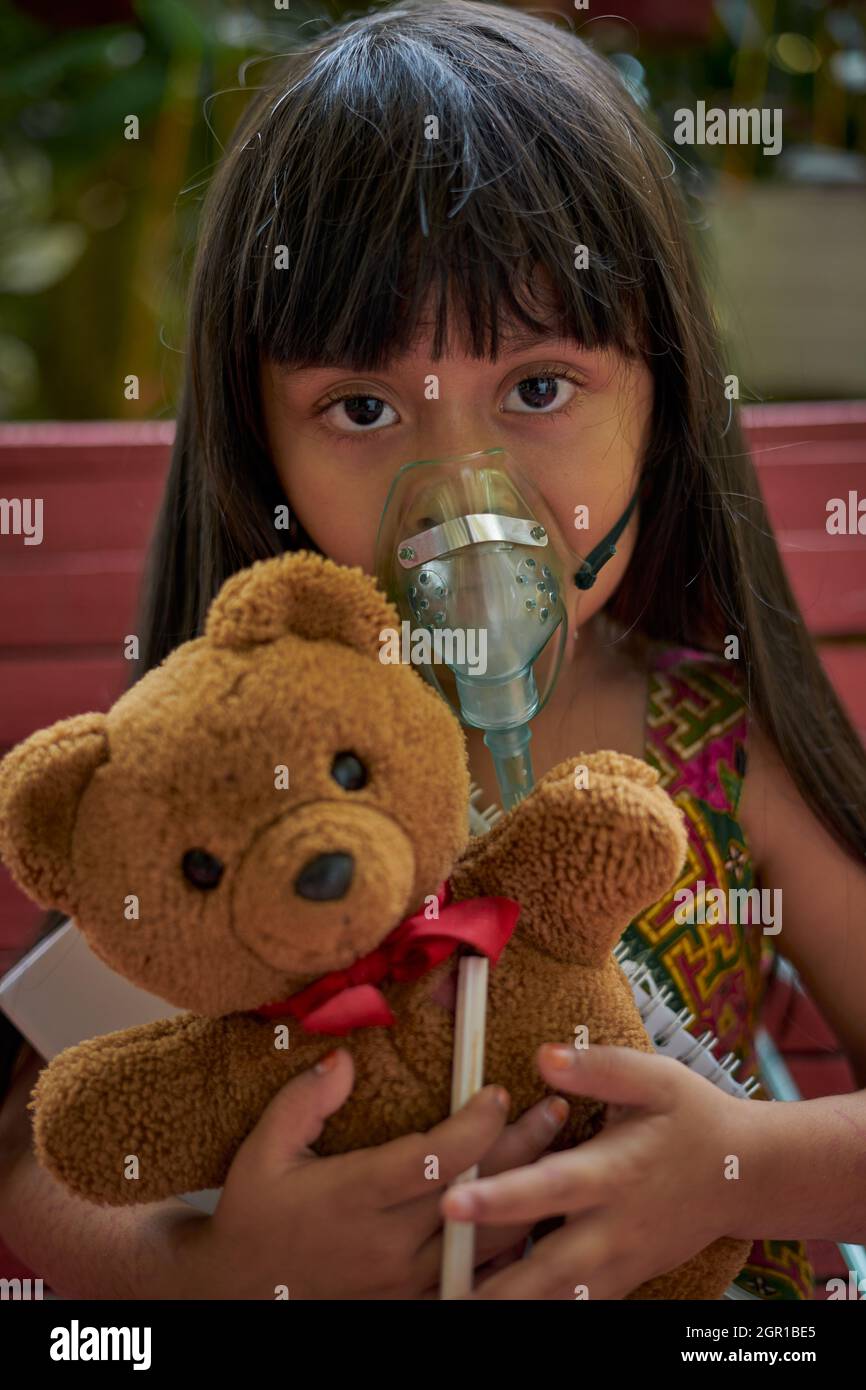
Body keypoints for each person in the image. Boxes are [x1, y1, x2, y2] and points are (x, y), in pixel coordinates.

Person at [2, 0, 865, 1301]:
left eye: (536, 387)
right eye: (359, 406)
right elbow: (38, 1150)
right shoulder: (220, 774)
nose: (458, 485)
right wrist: (219, 1267)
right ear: (260, 448)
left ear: (663, 399)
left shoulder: (718, 750)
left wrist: (735, 1164)